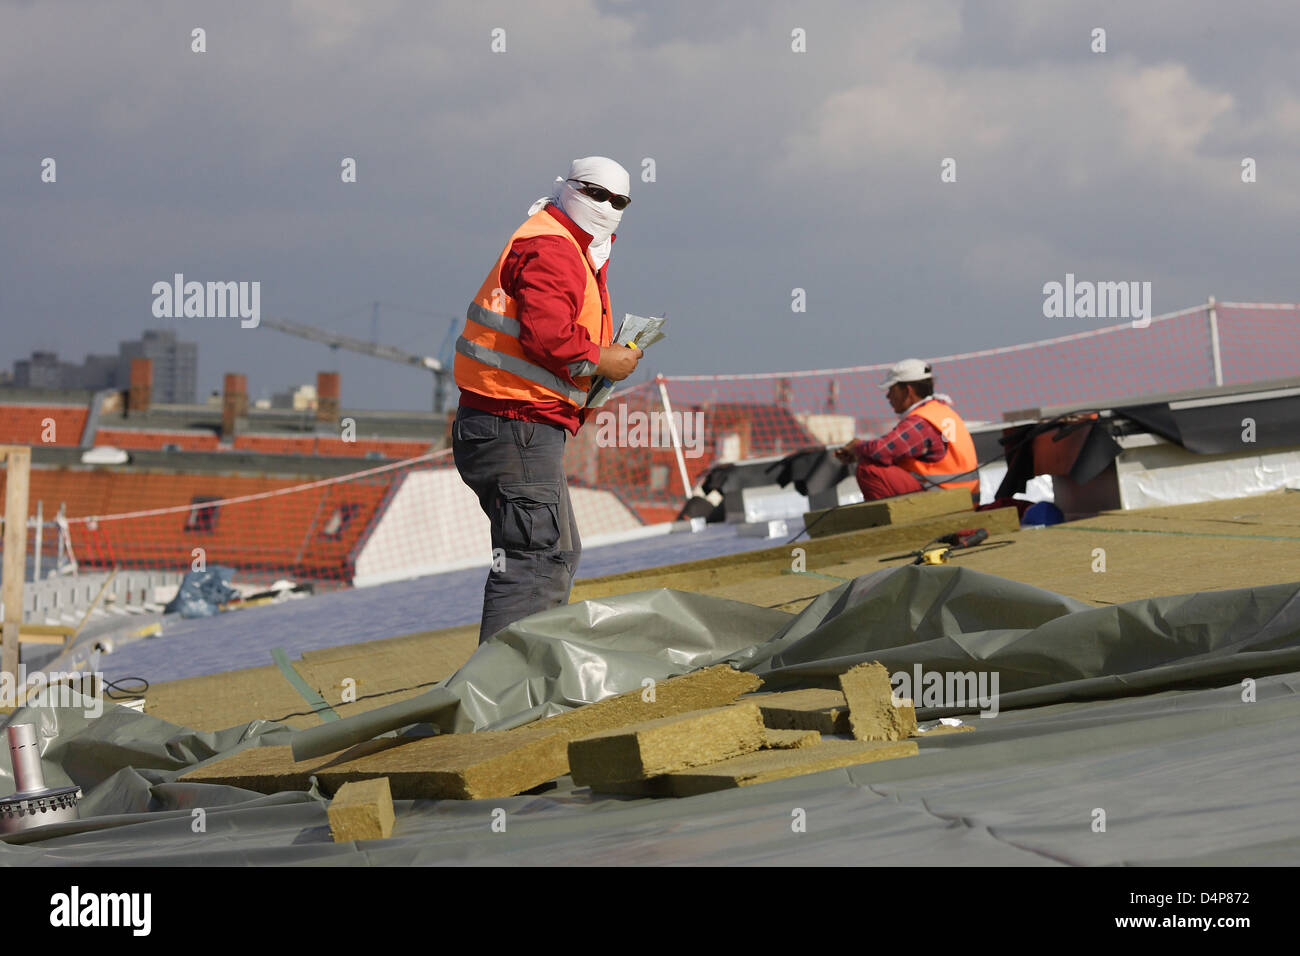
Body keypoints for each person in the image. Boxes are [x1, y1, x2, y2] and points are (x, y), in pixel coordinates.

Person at [452, 157, 641, 644]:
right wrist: (606, 360)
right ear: (569, 189)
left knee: (554, 554)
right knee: (535, 558)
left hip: (513, 424)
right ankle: (500, 694)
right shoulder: (555, 248)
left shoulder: (567, 246)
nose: (607, 207)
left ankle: (518, 682)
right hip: (515, 424)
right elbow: (548, 337)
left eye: (619, 201)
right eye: (597, 194)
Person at [834, 359, 979, 503]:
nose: (888, 396)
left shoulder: (921, 422)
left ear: (907, 390)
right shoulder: (941, 412)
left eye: (892, 389)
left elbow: (882, 450)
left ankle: (888, 522)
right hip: (961, 499)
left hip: (946, 504)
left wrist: (856, 447)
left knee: (869, 468)